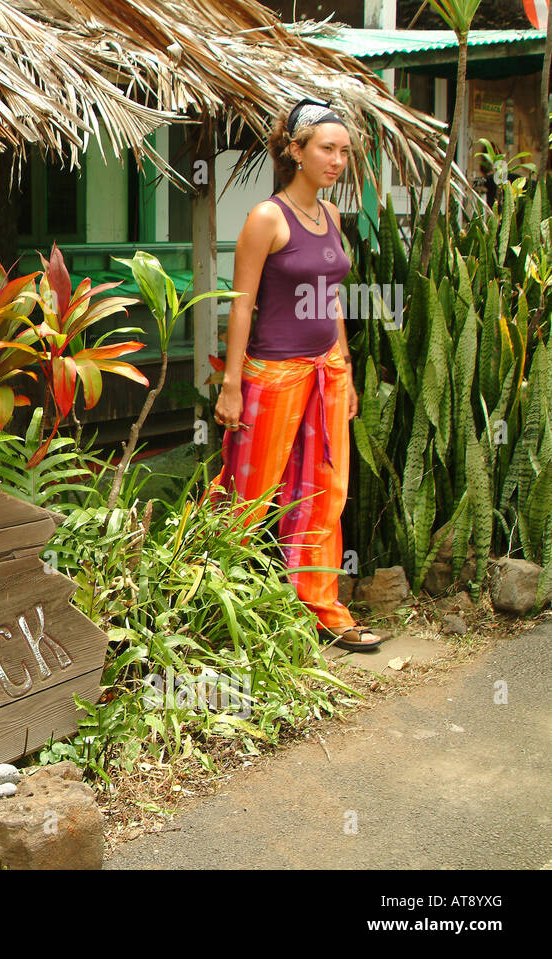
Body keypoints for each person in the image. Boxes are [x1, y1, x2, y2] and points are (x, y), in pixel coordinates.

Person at [206, 98, 384, 652]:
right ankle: (212, 610)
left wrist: (346, 367)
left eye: (344, 152)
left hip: (326, 369)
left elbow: (329, 297)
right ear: (297, 151)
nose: (337, 161)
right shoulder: (266, 217)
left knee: (324, 490)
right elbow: (241, 304)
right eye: (326, 149)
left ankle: (322, 609)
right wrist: (232, 384)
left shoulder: (329, 217)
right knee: (249, 493)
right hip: (273, 371)